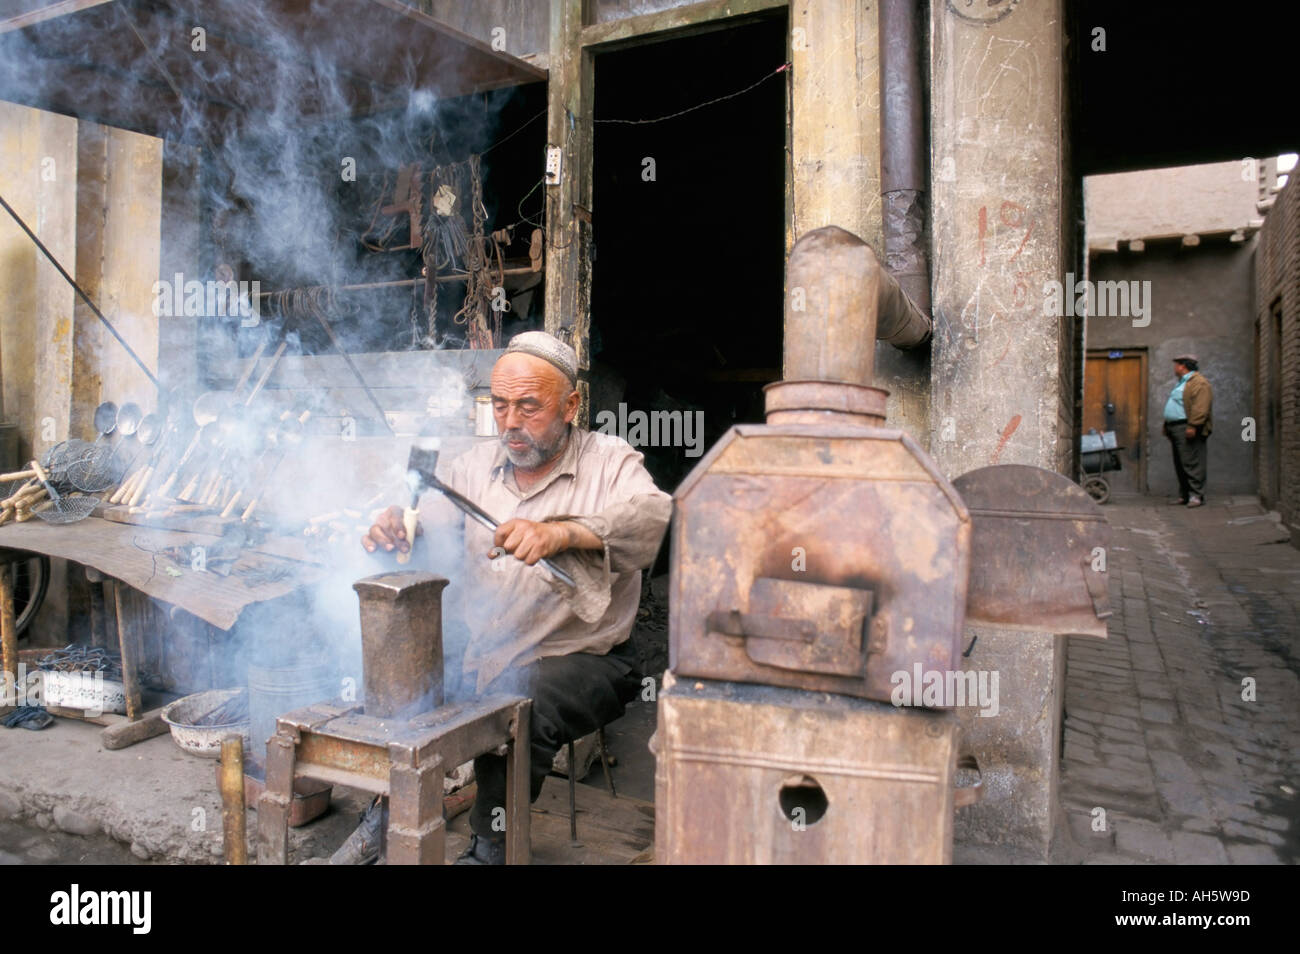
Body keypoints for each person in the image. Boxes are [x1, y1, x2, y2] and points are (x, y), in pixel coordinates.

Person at [342, 331, 672, 864]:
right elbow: (430, 529)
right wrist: (401, 531)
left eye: (528, 406)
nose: (511, 422)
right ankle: (386, 817)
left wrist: (563, 533)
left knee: (519, 704)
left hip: (583, 657)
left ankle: (489, 845)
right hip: (487, 646)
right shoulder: (472, 469)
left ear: (570, 405)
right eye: (499, 405)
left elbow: (653, 518)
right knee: (403, 684)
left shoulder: (610, 460)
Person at [1162, 353, 1213, 508]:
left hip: (1187, 427)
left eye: (1176, 364)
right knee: (1181, 463)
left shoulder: (1199, 383)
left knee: (1192, 462)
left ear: (1183, 366)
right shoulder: (1182, 382)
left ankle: (1196, 496)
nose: (1174, 367)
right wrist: (1167, 426)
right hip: (1176, 427)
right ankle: (1185, 495)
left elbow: (1201, 407)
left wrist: (1193, 425)